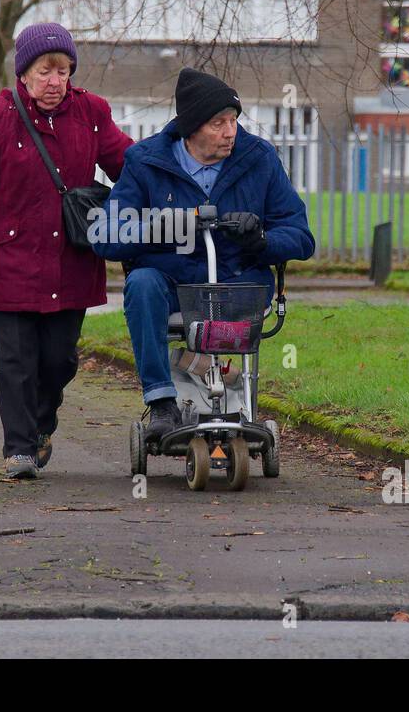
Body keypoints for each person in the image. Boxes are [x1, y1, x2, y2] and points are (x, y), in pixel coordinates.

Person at [0, 23, 133, 479]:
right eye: (46, 70)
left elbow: (129, 165)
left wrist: (179, 165)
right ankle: (19, 449)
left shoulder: (92, 112)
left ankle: (42, 423)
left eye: (64, 71)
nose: (56, 81)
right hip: (9, 262)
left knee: (59, 359)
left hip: (71, 262)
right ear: (24, 73)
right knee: (13, 360)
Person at [92, 67, 316, 439]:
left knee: (239, 302)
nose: (230, 132)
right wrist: (162, 226)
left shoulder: (259, 158)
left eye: (233, 121)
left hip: (237, 282)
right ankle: (162, 402)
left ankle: (232, 399)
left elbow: (300, 236)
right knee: (142, 283)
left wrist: (261, 241)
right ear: (191, 127)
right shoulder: (145, 162)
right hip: (173, 282)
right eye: (218, 123)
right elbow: (106, 235)